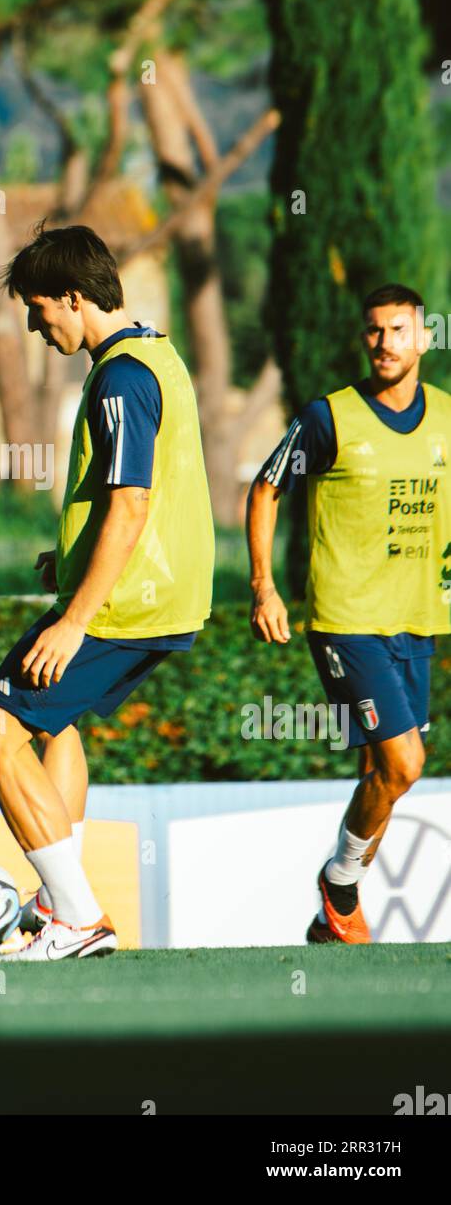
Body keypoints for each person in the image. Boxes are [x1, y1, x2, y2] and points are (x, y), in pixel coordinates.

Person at [0, 221, 215, 960]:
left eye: (39, 309)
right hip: (160, 596)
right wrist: (69, 560)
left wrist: (73, 617)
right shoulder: (156, 354)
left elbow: (131, 503)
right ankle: (55, 907)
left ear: (73, 298)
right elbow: (138, 497)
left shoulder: (119, 377)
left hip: (121, 606)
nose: (37, 327)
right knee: (53, 724)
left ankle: (78, 917)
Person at [246, 285, 451, 943]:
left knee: (385, 774)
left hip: (416, 620)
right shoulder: (328, 418)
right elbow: (266, 488)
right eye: (373, 331)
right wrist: (263, 587)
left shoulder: (447, 417)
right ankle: (339, 885)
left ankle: (332, 917)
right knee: (404, 763)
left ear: (423, 338)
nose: (385, 342)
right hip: (345, 620)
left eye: (397, 330)